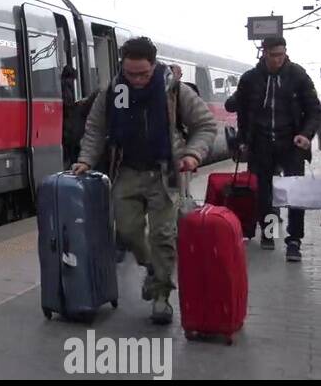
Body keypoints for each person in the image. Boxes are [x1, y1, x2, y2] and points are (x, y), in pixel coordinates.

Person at [72, 37, 216, 324]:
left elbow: (205, 125)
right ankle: (152, 267)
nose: (137, 80)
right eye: (131, 74)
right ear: (122, 67)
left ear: (154, 65)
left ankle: (162, 296)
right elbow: (95, 128)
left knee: (163, 235)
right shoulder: (112, 90)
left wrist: (193, 155)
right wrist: (86, 158)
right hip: (126, 172)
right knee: (126, 230)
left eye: (143, 74)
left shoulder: (175, 90)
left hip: (164, 173)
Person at [232, 36, 321, 262]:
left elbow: (314, 111)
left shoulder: (298, 76)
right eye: (273, 55)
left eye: (281, 54)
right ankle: (270, 234)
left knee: (295, 193)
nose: (278, 60)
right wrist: (243, 140)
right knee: (266, 194)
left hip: (291, 143)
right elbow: (242, 113)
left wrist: (305, 134)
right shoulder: (251, 79)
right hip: (261, 143)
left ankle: (294, 241)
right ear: (264, 53)